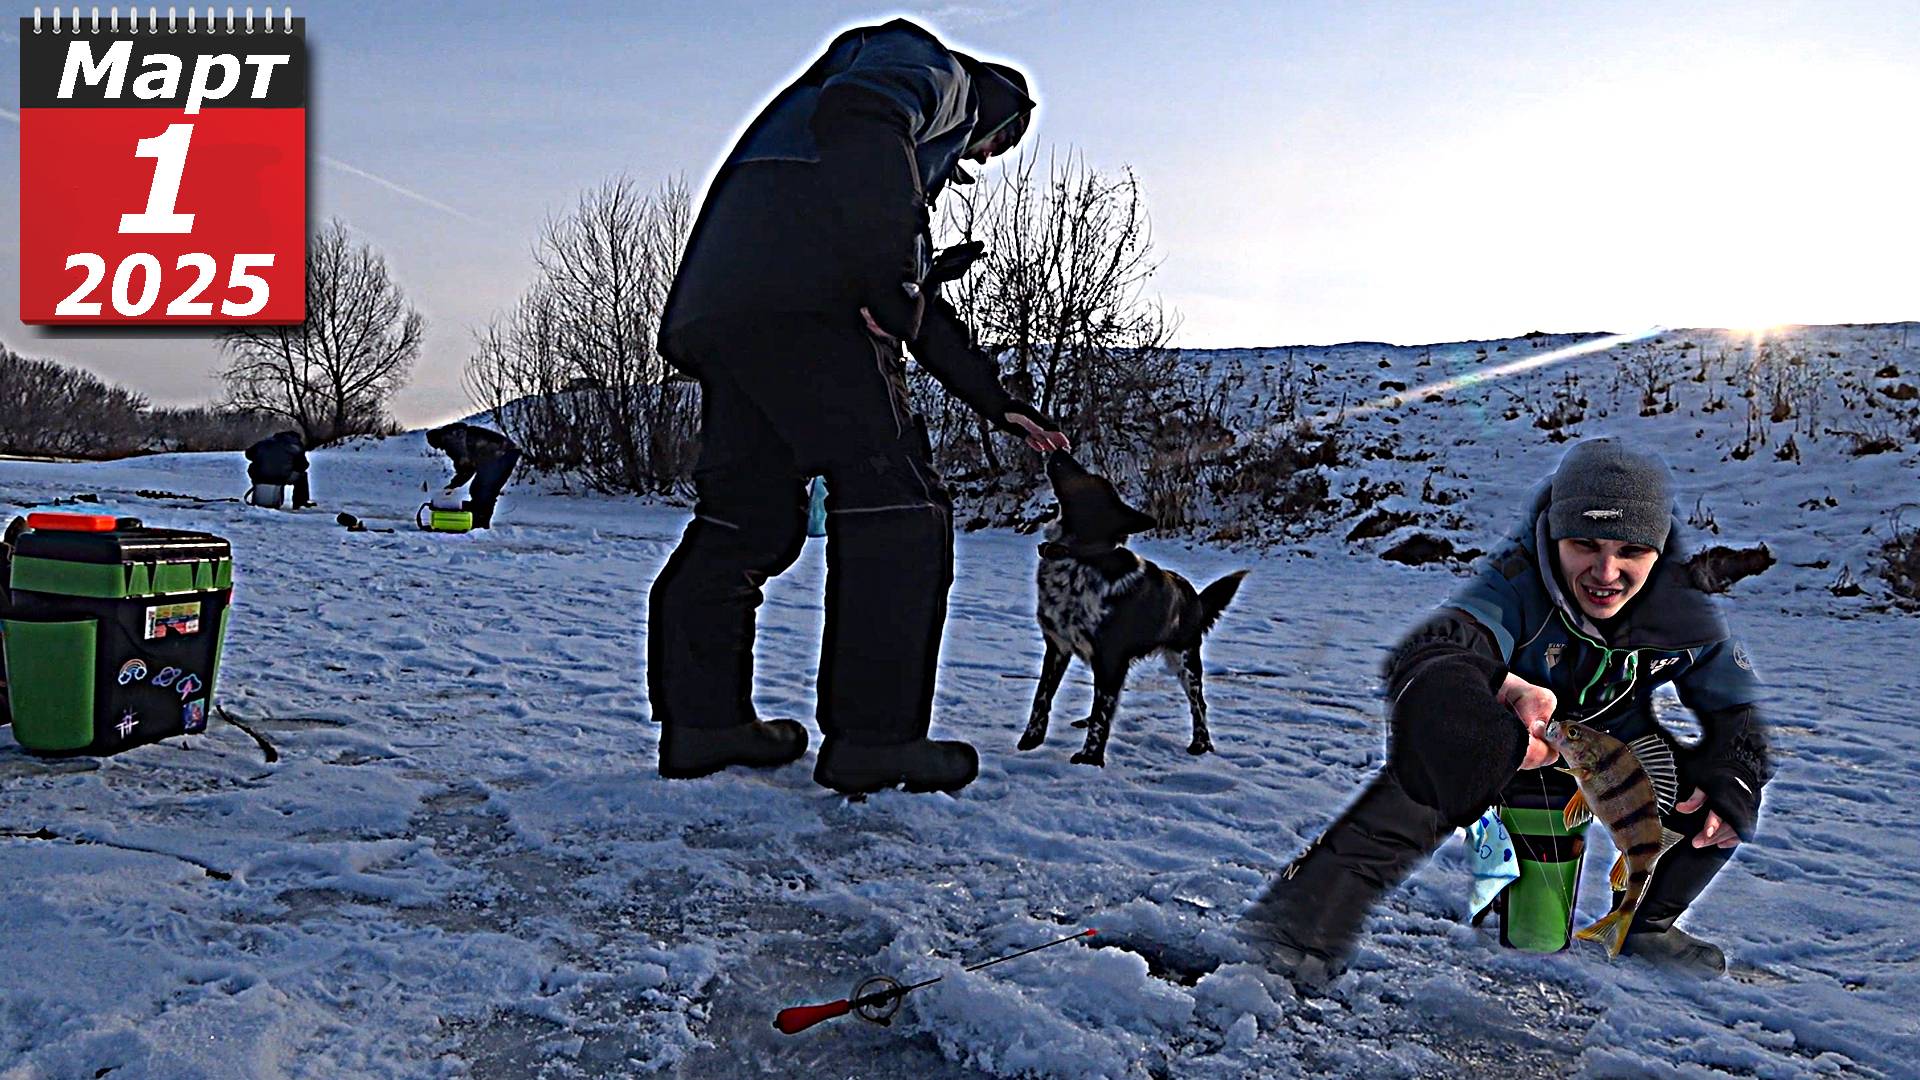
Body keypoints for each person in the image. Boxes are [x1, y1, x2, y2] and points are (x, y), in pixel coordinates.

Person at [649, 18, 1070, 794]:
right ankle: (877, 738)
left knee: (748, 515)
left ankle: (704, 725)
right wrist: (893, 279)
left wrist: (997, 399)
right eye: (989, 151)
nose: (974, 162)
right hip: (808, 311)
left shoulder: (854, 172)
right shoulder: (931, 71)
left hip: (731, 308)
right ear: (998, 116)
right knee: (900, 506)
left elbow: (912, 301)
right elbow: (866, 123)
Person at [1243, 438, 1771, 983]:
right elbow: (1449, 642)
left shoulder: (1687, 615)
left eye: (1630, 551)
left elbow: (1742, 714)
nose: (1606, 572)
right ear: (1554, 535)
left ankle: (1647, 921)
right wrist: (1457, 702)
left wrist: (1737, 777)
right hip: (1517, 743)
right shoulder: (1513, 585)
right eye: (1584, 543)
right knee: (1430, 769)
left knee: (1718, 795)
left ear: (1657, 553)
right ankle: (1292, 931)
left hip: (1612, 755)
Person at [426, 422, 521, 529]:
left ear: (438, 439)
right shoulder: (456, 435)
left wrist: (453, 485)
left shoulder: (451, 439)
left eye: (438, 446)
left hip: (500, 454)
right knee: (485, 489)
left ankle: (479, 522)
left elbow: (466, 466)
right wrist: (455, 484)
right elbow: (468, 467)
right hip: (507, 453)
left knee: (482, 489)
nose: (441, 449)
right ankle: (480, 521)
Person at [245, 430, 313, 508]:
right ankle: (300, 502)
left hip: (261, 476)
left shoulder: (263, 443)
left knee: (255, 467)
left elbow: (248, 454)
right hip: (283, 477)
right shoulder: (296, 447)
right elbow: (303, 465)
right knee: (302, 476)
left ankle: (260, 492)